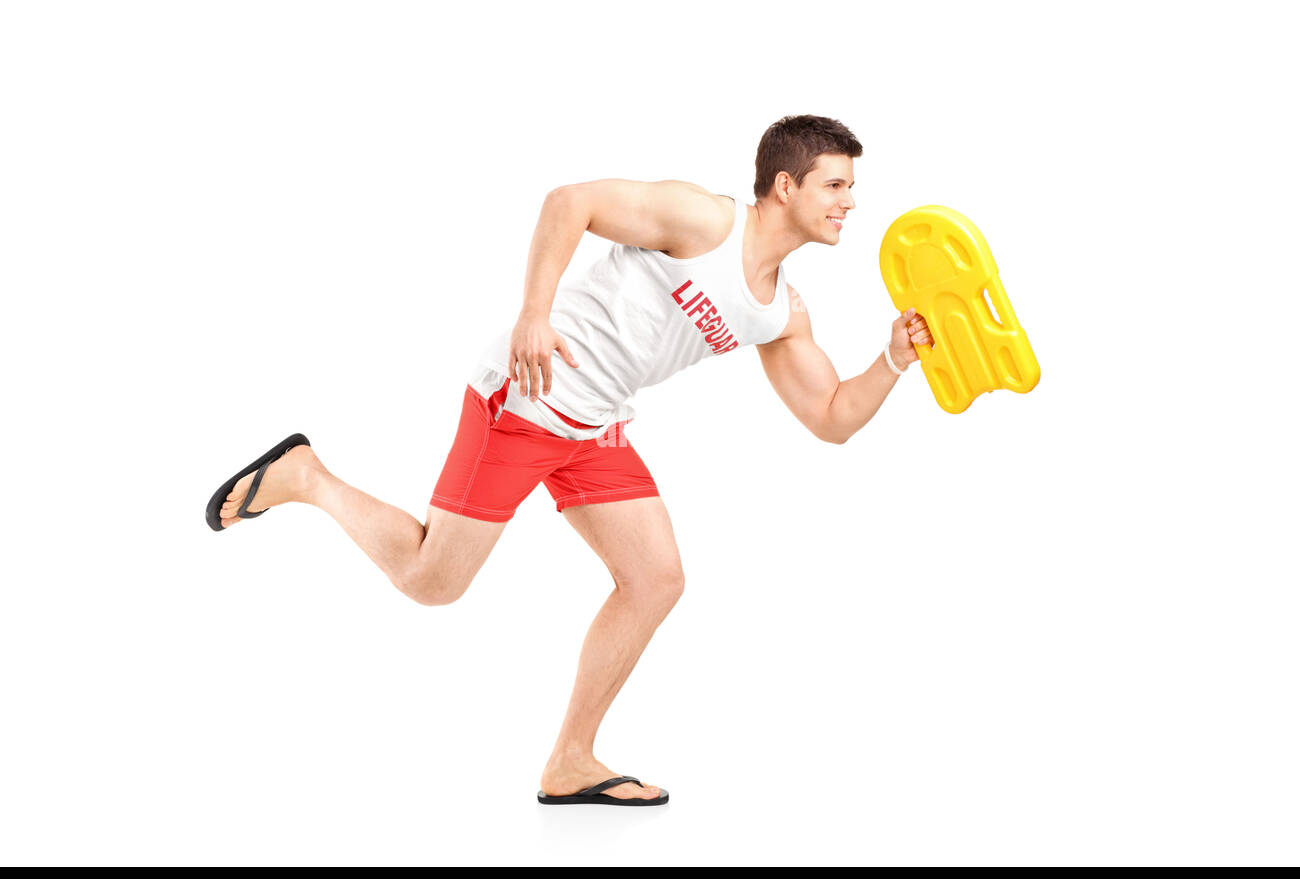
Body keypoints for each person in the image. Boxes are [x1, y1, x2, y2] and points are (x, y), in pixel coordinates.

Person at [205, 115, 933, 807]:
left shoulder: (781, 312)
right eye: (835, 185)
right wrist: (534, 315)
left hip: (595, 421)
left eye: (850, 187)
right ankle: (306, 476)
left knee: (655, 579)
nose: (850, 201)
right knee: (432, 581)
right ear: (786, 186)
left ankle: (570, 762)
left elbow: (831, 416)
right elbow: (571, 202)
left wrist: (892, 359)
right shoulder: (705, 222)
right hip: (528, 397)